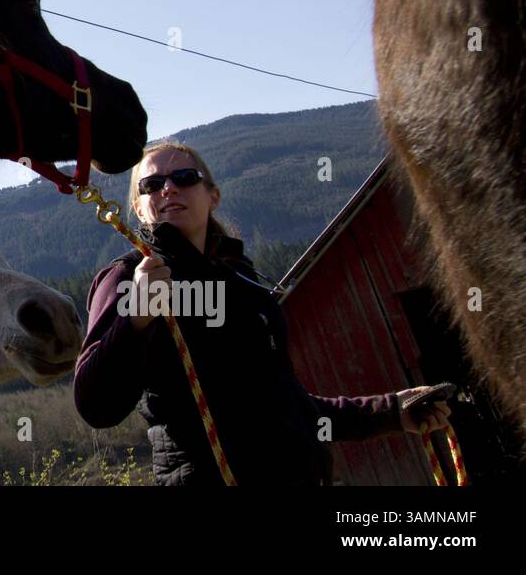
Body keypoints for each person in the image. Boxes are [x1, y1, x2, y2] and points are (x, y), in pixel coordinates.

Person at [72, 140, 452, 485]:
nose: (168, 188)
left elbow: (290, 408)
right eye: (151, 185)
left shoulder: (245, 282)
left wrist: (394, 411)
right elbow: (95, 405)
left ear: (213, 195)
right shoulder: (127, 278)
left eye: (184, 178)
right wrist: (136, 318)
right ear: (139, 208)